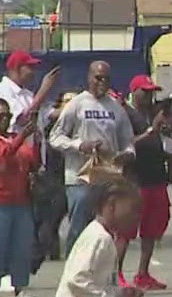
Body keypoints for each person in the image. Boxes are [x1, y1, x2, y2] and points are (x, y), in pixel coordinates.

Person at [48, 62, 138, 256]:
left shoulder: (116, 108)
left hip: (108, 177)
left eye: (106, 78)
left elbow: (128, 141)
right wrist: (80, 145)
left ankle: (105, 276)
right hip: (80, 177)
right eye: (98, 78)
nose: (102, 82)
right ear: (89, 78)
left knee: (108, 230)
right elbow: (55, 137)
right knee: (81, 229)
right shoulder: (77, 104)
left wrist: (128, 154)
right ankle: (74, 271)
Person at [0, 97, 43, 297]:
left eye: (7, 115)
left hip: (21, 200)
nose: (5, 119)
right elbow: (2, 158)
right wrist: (23, 137)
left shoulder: (17, 138)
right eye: (0, 116)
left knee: (21, 247)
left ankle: (20, 289)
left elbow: (32, 162)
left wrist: (35, 140)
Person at [116, 80, 172, 291]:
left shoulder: (154, 112)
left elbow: (162, 138)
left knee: (152, 229)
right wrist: (151, 132)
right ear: (135, 92)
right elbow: (124, 144)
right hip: (135, 179)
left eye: (152, 92)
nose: (150, 96)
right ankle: (117, 274)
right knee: (126, 230)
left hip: (156, 178)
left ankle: (143, 273)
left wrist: (165, 136)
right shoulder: (126, 114)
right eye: (145, 92)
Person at [0, 51, 59, 135]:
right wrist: (44, 90)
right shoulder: (2, 90)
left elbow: (50, 114)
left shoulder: (27, 94)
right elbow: (23, 120)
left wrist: (75, 103)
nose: (33, 72)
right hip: (14, 146)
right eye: (30, 67)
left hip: (32, 147)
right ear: (17, 68)